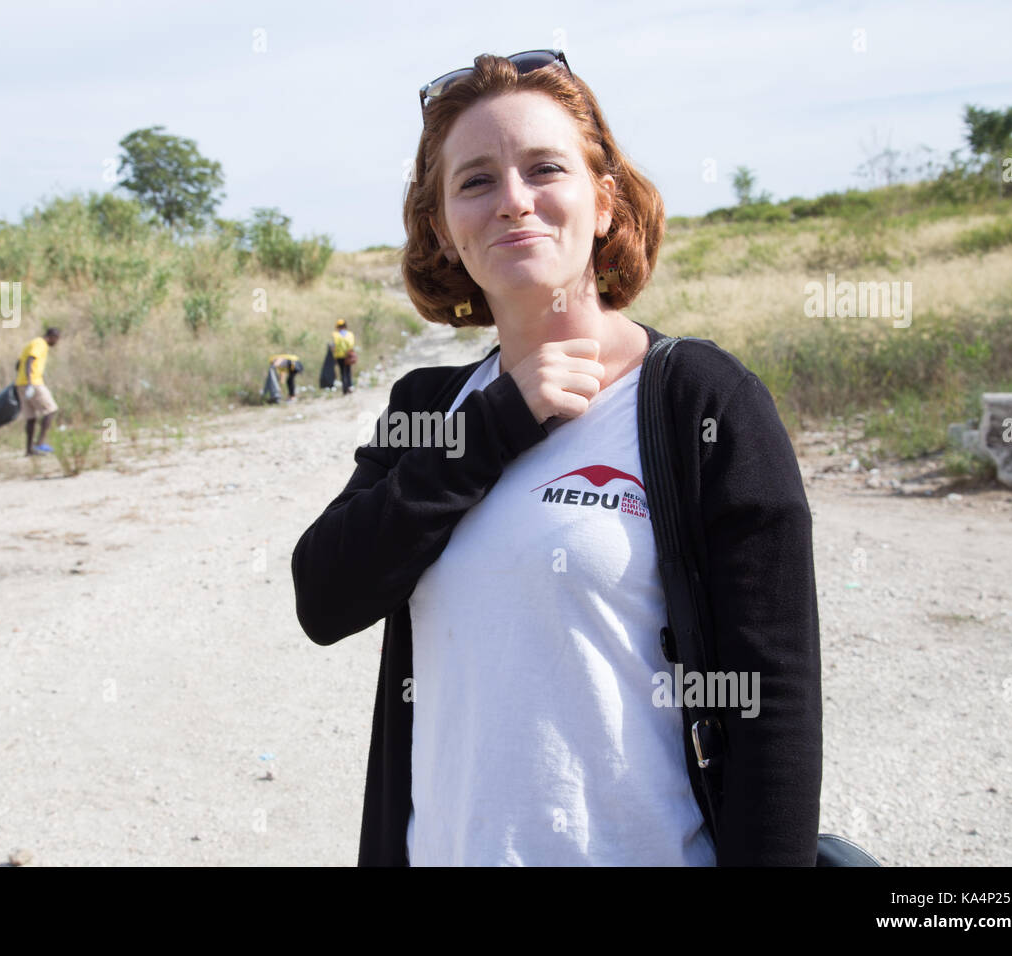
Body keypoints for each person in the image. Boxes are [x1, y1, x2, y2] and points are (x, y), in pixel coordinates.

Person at [291, 50, 821, 866]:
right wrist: (495, 427)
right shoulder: (428, 410)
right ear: (441, 228)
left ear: (603, 202)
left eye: (544, 168)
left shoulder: (700, 403)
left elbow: (772, 702)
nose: (512, 202)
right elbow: (325, 597)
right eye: (474, 181)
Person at [15, 327, 61, 455]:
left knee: (31, 418)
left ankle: (29, 449)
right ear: (52, 336)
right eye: (56, 339)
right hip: (34, 383)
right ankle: (40, 444)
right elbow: (30, 360)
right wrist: (30, 383)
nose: (56, 342)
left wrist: (22, 379)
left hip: (21, 384)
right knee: (51, 410)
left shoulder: (31, 343)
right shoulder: (40, 344)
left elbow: (18, 364)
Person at [331, 319, 356, 394]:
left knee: (342, 372)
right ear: (345, 326)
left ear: (337, 327)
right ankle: (349, 387)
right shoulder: (350, 334)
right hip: (348, 356)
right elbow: (351, 345)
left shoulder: (335, 335)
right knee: (348, 371)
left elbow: (333, 347)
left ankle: (344, 389)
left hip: (339, 357)